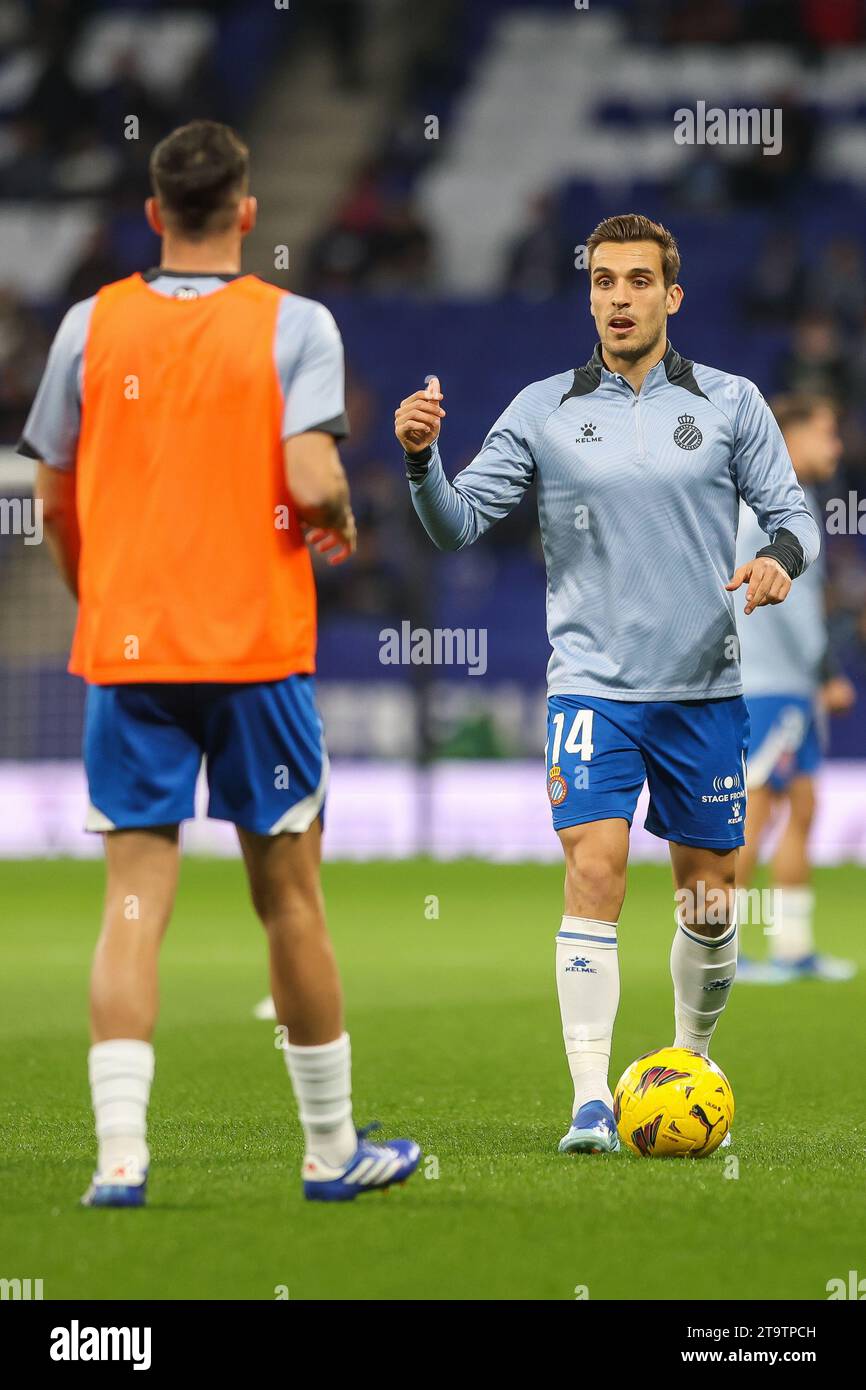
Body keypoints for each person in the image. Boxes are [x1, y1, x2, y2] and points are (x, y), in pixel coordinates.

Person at [20, 119, 419, 1206]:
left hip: (132, 647)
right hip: (252, 652)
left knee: (132, 906)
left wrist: (102, 593)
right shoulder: (295, 324)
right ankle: (331, 1150)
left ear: (153, 215)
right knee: (288, 901)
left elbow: (53, 492)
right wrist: (330, 513)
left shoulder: (88, 326)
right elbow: (311, 475)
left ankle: (119, 1156)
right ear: (246, 212)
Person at [394, 213, 820, 1156]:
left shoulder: (730, 402)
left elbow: (795, 515)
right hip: (590, 686)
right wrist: (422, 460)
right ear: (587, 293)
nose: (618, 298)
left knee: (709, 901)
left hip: (704, 690)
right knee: (594, 871)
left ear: (671, 295)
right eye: (602, 281)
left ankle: (686, 1062)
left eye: (637, 281)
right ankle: (591, 1100)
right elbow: (455, 525)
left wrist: (778, 560)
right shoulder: (544, 408)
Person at [735, 393, 857, 983]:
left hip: (791, 686)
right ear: (793, 436)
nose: (835, 447)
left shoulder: (798, 500)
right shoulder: (765, 502)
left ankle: (793, 946)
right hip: (767, 683)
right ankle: (723, 950)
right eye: (826, 433)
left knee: (803, 807)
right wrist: (826, 670)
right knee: (754, 815)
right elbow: (785, 601)